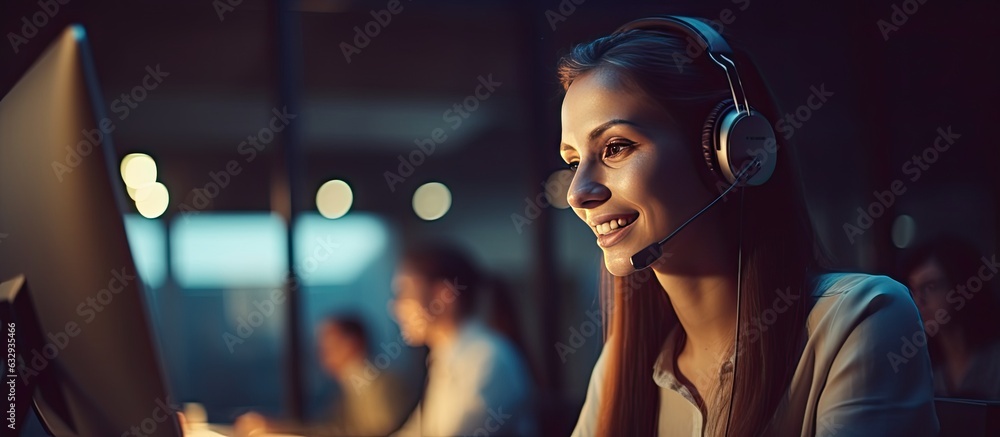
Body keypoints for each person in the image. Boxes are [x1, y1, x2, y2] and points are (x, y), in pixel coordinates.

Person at [558, 16, 939, 436]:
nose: (578, 193)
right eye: (574, 161)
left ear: (733, 152)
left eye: (615, 147)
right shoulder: (622, 365)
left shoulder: (862, 320)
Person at [390, 242, 537, 436]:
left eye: (404, 292)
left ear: (444, 294)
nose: (395, 308)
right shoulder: (446, 357)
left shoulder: (487, 358)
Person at [233, 315, 409, 437]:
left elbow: (369, 434)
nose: (321, 353)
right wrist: (276, 427)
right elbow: (328, 428)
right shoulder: (347, 387)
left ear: (352, 343)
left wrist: (278, 427)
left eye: (328, 344)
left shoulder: (385, 384)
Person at [901, 236, 1000, 399]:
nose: (919, 301)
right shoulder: (920, 366)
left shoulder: (994, 362)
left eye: (930, 286)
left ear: (961, 285)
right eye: (913, 290)